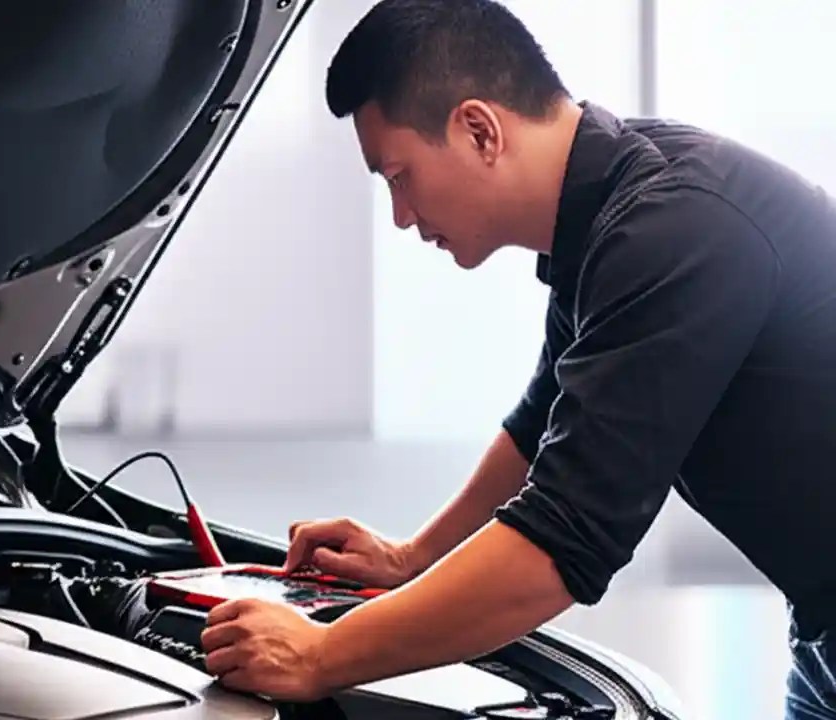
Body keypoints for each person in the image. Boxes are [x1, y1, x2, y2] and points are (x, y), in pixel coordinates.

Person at [197, 1, 836, 717]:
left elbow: (562, 546)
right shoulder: (613, 213)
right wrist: (414, 559)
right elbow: (540, 434)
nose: (402, 217)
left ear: (478, 129)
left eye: (398, 176)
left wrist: (320, 656)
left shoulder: (674, 228)